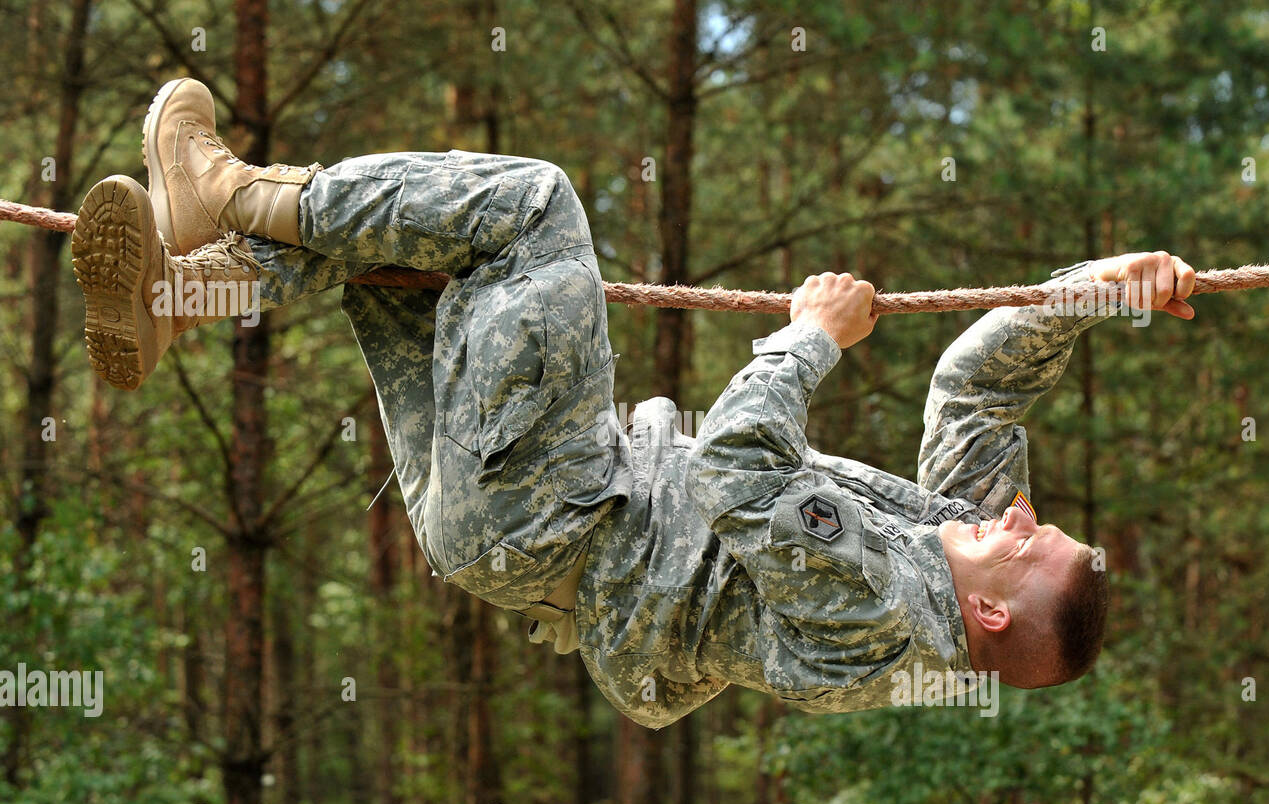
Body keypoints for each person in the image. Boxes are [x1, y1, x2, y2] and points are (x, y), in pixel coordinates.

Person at [71, 78, 1196, 730]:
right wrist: (1104, 293)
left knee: (528, 209)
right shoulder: (954, 547)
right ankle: (182, 294)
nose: (1015, 513)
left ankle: (225, 193)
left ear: (993, 615)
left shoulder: (880, 615)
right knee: (422, 256)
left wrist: (813, 335)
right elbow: (976, 386)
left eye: (1029, 538)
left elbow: (740, 466)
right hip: (526, 517)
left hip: (557, 508)